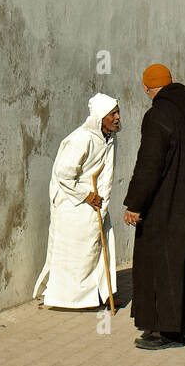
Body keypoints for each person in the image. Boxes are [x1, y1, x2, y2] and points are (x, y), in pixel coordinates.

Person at [123, 64, 185, 350]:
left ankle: (165, 332)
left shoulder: (157, 114)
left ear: (147, 88)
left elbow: (150, 163)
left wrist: (135, 203)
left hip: (164, 205)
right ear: (171, 82)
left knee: (161, 263)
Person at [33, 94, 120, 310]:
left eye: (118, 112)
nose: (118, 117)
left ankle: (100, 294)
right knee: (76, 255)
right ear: (101, 117)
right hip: (76, 207)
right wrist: (87, 196)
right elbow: (63, 174)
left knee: (100, 250)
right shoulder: (82, 139)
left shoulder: (108, 138)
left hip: (97, 206)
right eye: (113, 114)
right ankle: (70, 299)